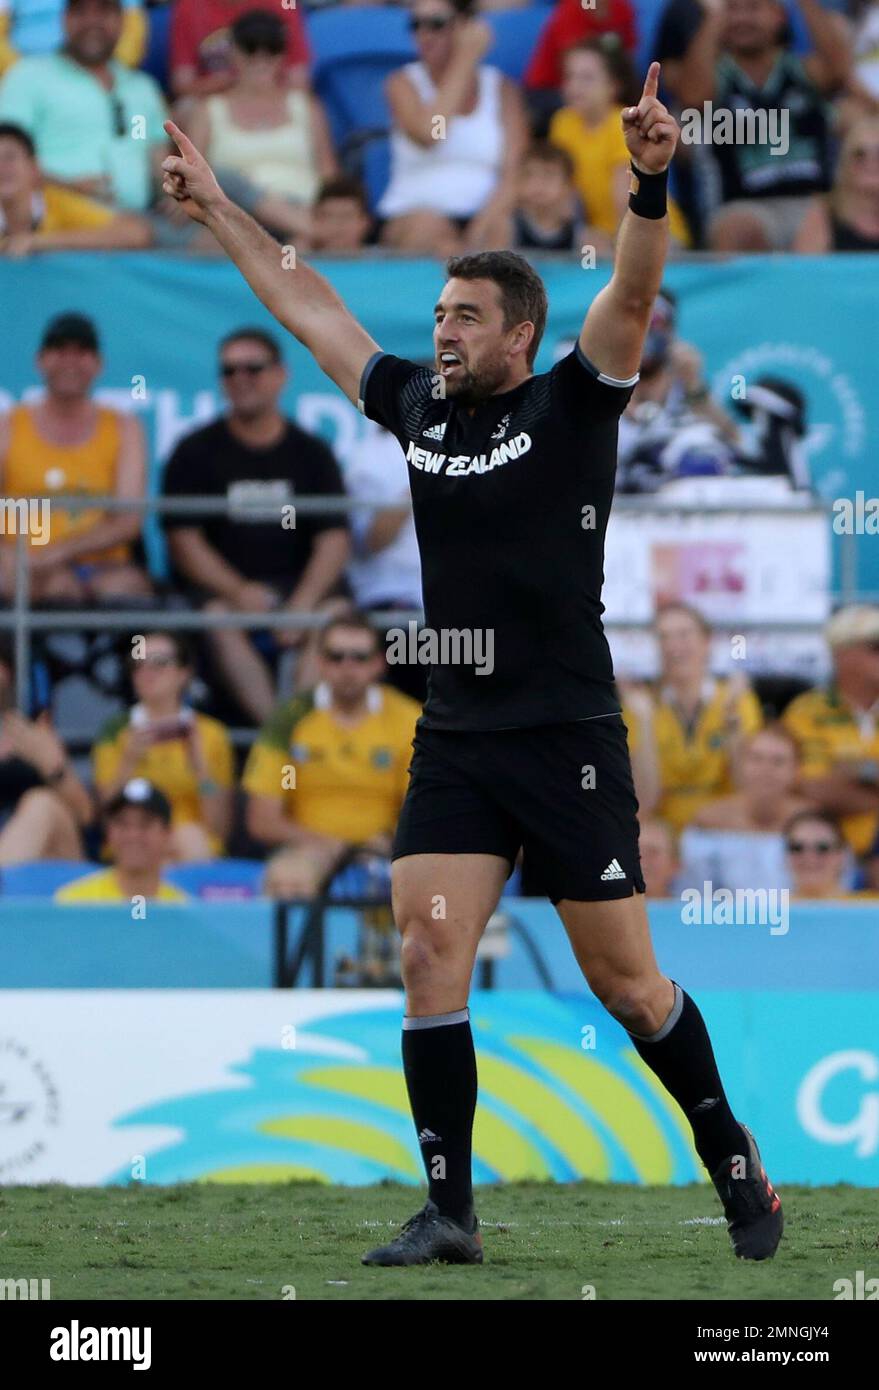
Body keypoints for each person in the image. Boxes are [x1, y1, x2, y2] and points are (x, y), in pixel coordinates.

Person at [161, 60, 783, 1267]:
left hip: (564, 733)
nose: (440, 333)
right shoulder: (420, 410)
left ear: (522, 335)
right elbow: (313, 308)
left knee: (630, 987)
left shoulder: (577, 402)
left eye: (462, 319)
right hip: (458, 733)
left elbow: (636, 292)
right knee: (427, 947)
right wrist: (218, 205)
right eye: (437, 315)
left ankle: (732, 1155)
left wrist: (649, 179)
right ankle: (450, 1212)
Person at [162, 327, 350, 726]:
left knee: (334, 616)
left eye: (252, 368)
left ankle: (294, 737)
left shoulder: (312, 453)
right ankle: (279, 740)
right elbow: (182, 540)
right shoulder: (193, 451)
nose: (240, 379)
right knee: (218, 618)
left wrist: (302, 603)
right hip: (222, 594)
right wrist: (238, 591)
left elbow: (333, 538)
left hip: (298, 588)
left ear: (281, 375)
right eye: (229, 371)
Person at [243, 613, 420, 898]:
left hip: (385, 851)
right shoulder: (289, 719)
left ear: (378, 663)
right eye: (336, 657)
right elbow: (263, 819)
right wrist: (324, 843)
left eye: (359, 657)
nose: (347, 667)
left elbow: (418, 809)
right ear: (320, 662)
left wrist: (383, 843)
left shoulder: (408, 719)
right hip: (308, 850)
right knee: (290, 879)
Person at [670, 0, 850, 251]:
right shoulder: (719, 77)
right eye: (733, 10)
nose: (743, 19)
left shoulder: (800, 69)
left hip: (813, 201)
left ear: (778, 16)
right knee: (738, 229)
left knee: (827, 221)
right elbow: (691, 97)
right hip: (744, 206)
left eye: (753, 9)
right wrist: (713, 19)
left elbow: (839, 71)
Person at [0, 312, 152, 603]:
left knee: (128, 587)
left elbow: (129, 520)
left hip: (103, 568)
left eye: (82, 351)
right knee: (47, 585)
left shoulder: (124, 428)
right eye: (59, 350)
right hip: (20, 567)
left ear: (98, 364)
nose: (70, 361)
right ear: (40, 360)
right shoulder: (7, 426)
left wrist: (58, 553)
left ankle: (114, 649)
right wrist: (12, 556)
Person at [378, 0, 528, 255]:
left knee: (501, 231)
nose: (424, 34)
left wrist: (478, 231)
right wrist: (465, 58)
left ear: (465, 27)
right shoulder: (402, 83)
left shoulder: (502, 89)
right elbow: (430, 133)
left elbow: (515, 171)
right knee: (430, 230)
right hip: (415, 214)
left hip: (483, 215)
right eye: (416, 25)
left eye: (436, 24)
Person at [184, 10, 336, 246]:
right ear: (232, 52)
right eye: (250, 49)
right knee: (221, 195)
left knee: (301, 246)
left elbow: (327, 172)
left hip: (300, 207)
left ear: (283, 55)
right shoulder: (208, 110)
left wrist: (330, 212)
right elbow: (193, 174)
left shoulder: (306, 106)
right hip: (233, 214)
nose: (261, 59)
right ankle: (315, 230)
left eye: (272, 49)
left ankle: (309, 229)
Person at [0, 0, 168, 213]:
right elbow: (5, 157)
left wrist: (173, 194)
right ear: (64, 19)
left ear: (122, 21)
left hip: (141, 223)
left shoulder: (141, 89)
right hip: (56, 222)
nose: (92, 21)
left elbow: (146, 147)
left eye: (103, 11)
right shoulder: (27, 77)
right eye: (81, 12)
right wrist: (68, 187)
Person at [92, 632, 234, 861]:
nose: (146, 673)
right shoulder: (116, 731)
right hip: (133, 843)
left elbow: (219, 829)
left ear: (184, 673)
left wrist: (200, 768)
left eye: (159, 663)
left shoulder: (211, 734)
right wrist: (128, 762)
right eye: (137, 664)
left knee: (190, 836)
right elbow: (105, 820)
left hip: (192, 847)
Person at [622, 602, 763, 833]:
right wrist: (645, 722)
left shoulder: (736, 700)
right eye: (663, 637)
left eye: (684, 635)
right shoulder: (640, 707)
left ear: (707, 643)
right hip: (663, 839)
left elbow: (746, 791)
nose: (673, 646)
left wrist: (734, 728)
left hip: (725, 833)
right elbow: (645, 801)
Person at [549, 40, 691, 252]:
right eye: (570, 76)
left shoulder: (622, 122)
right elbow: (563, 193)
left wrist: (618, 249)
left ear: (613, 85)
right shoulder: (563, 123)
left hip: (652, 233)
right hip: (599, 235)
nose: (575, 86)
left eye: (587, 78)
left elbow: (626, 198)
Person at [616, 287, 740, 492]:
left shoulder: (684, 384)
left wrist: (694, 384)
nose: (645, 332)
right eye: (638, 320)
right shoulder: (604, 384)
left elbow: (734, 443)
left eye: (654, 322)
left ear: (670, 331)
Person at [783, 605, 879, 860]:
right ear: (841, 655)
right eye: (875, 647)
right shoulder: (805, 712)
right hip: (822, 858)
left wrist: (859, 771)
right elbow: (811, 789)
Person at [681, 724, 813, 890]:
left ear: (797, 770)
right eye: (756, 759)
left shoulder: (814, 822)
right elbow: (694, 889)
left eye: (778, 761)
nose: (766, 770)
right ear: (741, 765)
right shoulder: (707, 821)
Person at [0, 635, 93, 864]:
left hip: (47, 858)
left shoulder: (33, 735)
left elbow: (85, 814)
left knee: (41, 804)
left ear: (8, 673)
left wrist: (53, 767)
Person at [0, 120, 150, 253]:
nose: (2, 168)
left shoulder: (56, 202)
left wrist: (37, 242)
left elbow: (136, 233)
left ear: (34, 167)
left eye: (10, 157)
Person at [55, 778, 189, 902]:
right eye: (122, 824)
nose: (133, 835)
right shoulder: (75, 902)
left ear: (167, 834)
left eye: (145, 824)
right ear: (108, 832)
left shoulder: (181, 907)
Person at [169, 0, 309, 103]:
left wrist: (258, 87)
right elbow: (182, 85)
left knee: (300, 103)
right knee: (186, 107)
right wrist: (232, 83)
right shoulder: (189, 5)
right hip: (215, 97)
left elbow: (299, 82)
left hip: (274, 94)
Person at [794, 115, 879, 252]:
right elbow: (804, 270)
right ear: (846, 163)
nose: (872, 162)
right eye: (860, 154)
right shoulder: (824, 215)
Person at [0, 0, 145, 73]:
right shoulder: (25, 77)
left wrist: (101, 72)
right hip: (23, 72)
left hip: (101, 70)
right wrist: (26, 75)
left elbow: (131, 40)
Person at [506, 140, 585, 253]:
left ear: (568, 186)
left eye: (548, 175)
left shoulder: (584, 240)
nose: (538, 183)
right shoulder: (505, 231)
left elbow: (590, 269)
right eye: (529, 175)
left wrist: (591, 258)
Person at [783, 809, 851, 900]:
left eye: (822, 848)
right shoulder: (769, 910)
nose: (809, 857)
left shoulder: (869, 907)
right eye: (797, 848)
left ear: (841, 855)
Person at [310, 176, 372, 253]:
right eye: (330, 216)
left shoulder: (381, 260)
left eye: (346, 216)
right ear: (315, 219)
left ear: (365, 222)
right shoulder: (296, 259)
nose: (338, 223)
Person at [639, 816, 681, 898]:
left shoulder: (690, 909)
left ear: (675, 865)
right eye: (634, 852)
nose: (641, 860)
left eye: (652, 852)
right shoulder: (608, 910)